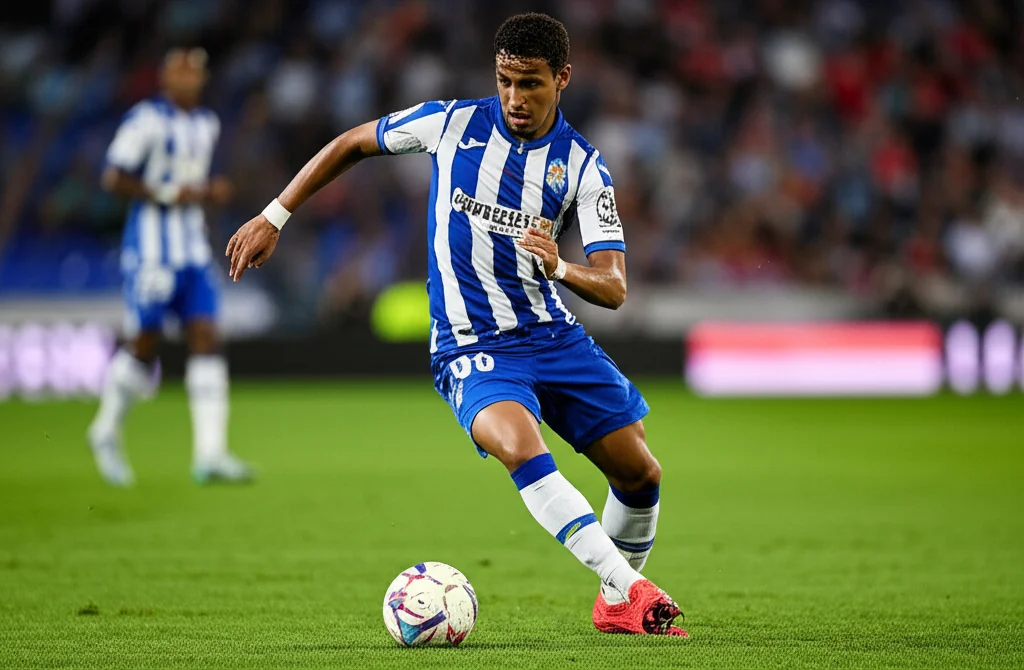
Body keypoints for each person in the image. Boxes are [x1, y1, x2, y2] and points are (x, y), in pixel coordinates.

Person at [226, 13, 686, 636]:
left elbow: (615, 286)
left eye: (531, 84)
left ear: (563, 79)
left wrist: (561, 267)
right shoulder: (451, 124)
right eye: (505, 81)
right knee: (522, 447)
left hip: (553, 336)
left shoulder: (582, 167)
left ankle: (613, 603)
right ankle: (634, 591)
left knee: (641, 474)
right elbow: (352, 142)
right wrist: (273, 216)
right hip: (473, 344)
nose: (514, 99)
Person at [88, 47, 251, 486]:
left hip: (192, 250)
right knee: (144, 344)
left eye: (195, 73)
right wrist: (166, 193)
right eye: (180, 72)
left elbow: (192, 186)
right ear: (166, 78)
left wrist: (209, 194)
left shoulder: (206, 123)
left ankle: (211, 453)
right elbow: (113, 176)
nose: (189, 80)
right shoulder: (146, 120)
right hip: (151, 248)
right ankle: (105, 429)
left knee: (207, 337)